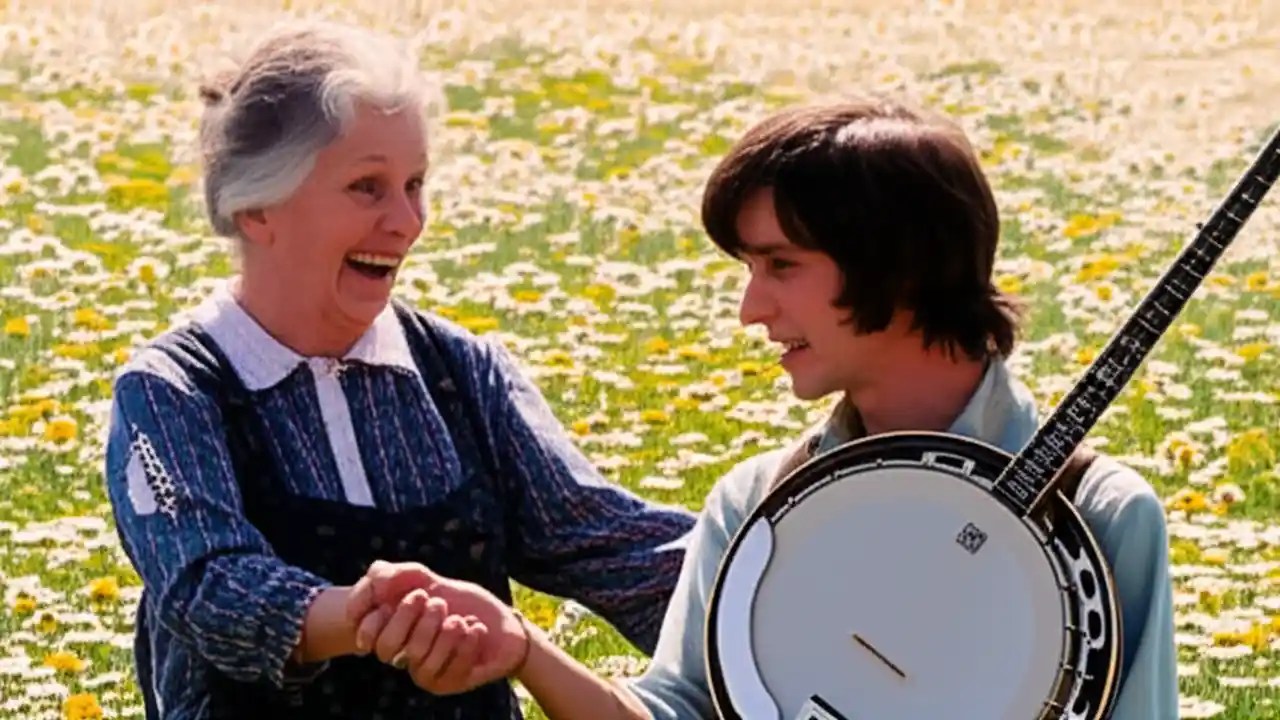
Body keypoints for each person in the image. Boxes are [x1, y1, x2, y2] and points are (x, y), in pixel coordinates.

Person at [350, 97, 1179, 719]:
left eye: (781, 266)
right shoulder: (758, 503)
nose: (751, 309)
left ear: (900, 268)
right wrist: (524, 650)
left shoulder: (1101, 516)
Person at [101, 19, 695, 720]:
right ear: (257, 206)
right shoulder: (173, 392)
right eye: (367, 187)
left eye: (415, 184)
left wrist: (777, 577)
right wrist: (371, 614)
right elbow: (208, 586)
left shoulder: (462, 374)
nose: (407, 221)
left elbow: (615, 547)